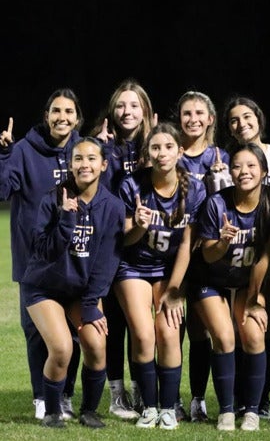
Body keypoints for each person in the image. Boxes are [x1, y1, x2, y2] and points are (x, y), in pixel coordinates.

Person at [22, 137, 125, 428]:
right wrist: (66, 220)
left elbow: (107, 262)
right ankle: (52, 412)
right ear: (70, 164)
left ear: (104, 165)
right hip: (44, 287)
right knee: (63, 348)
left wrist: (92, 304)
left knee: (95, 344)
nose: (84, 165)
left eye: (92, 158)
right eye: (78, 159)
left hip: (81, 292)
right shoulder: (53, 198)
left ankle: (89, 410)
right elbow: (43, 252)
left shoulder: (113, 207)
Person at [0, 88, 84, 421]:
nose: (62, 117)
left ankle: (64, 396)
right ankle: (40, 396)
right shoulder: (23, 149)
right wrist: (3, 155)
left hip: (74, 256)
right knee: (36, 332)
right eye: (56, 111)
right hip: (33, 259)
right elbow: (3, 189)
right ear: (46, 115)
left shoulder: (84, 149)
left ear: (77, 117)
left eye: (69, 112)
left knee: (74, 331)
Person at [115, 123, 206, 430]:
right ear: (147, 153)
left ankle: (168, 407)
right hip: (133, 266)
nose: (161, 153)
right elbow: (124, 240)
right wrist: (139, 226)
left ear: (179, 151)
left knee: (167, 331)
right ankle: (149, 407)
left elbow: (186, 246)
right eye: (155, 147)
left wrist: (176, 289)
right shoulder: (132, 184)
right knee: (143, 335)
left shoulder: (194, 188)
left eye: (168, 147)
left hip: (170, 270)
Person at [188, 143, 270, 431]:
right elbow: (206, 255)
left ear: (264, 171)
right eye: (237, 165)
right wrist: (224, 241)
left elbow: (264, 256)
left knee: (253, 333)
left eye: (252, 166)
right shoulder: (217, 203)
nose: (244, 172)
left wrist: (254, 299)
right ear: (230, 170)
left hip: (244, 282)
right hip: (210, 279)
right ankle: (226, 410)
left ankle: (251, 411)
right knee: (224, 337)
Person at [89, 79, 156, 420]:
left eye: (133, 105)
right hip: (113, 245)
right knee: (115, 322)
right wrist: (101, 153)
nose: (127, 111)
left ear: (145, 110)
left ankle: (142, 389)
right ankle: (117, 394)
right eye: (120, 105)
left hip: (150, 248)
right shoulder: (103, 147)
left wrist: (155, 149)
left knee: (143, 324)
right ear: (112, 112)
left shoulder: (156, 145)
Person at [222, 96, 270, 419]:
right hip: (233, 254)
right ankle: (235, 400)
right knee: (233, 328)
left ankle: (262, 400)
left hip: (267, 254)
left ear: (259, 117)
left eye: (247, 116)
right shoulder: (224, 160)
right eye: (233, 120)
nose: (241, 123)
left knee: (262, 323)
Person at [175, 90, 229, 423]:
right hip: (171, 254)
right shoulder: (169, 152)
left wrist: (222, 179)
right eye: (186, 113)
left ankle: (197, 400)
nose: (193, 119)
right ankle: (168, 399)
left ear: (210, 119)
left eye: (199, 113)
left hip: (205, 257)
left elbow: (226, 208)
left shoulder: (219, 157)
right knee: (168, 329)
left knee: (199, 331)